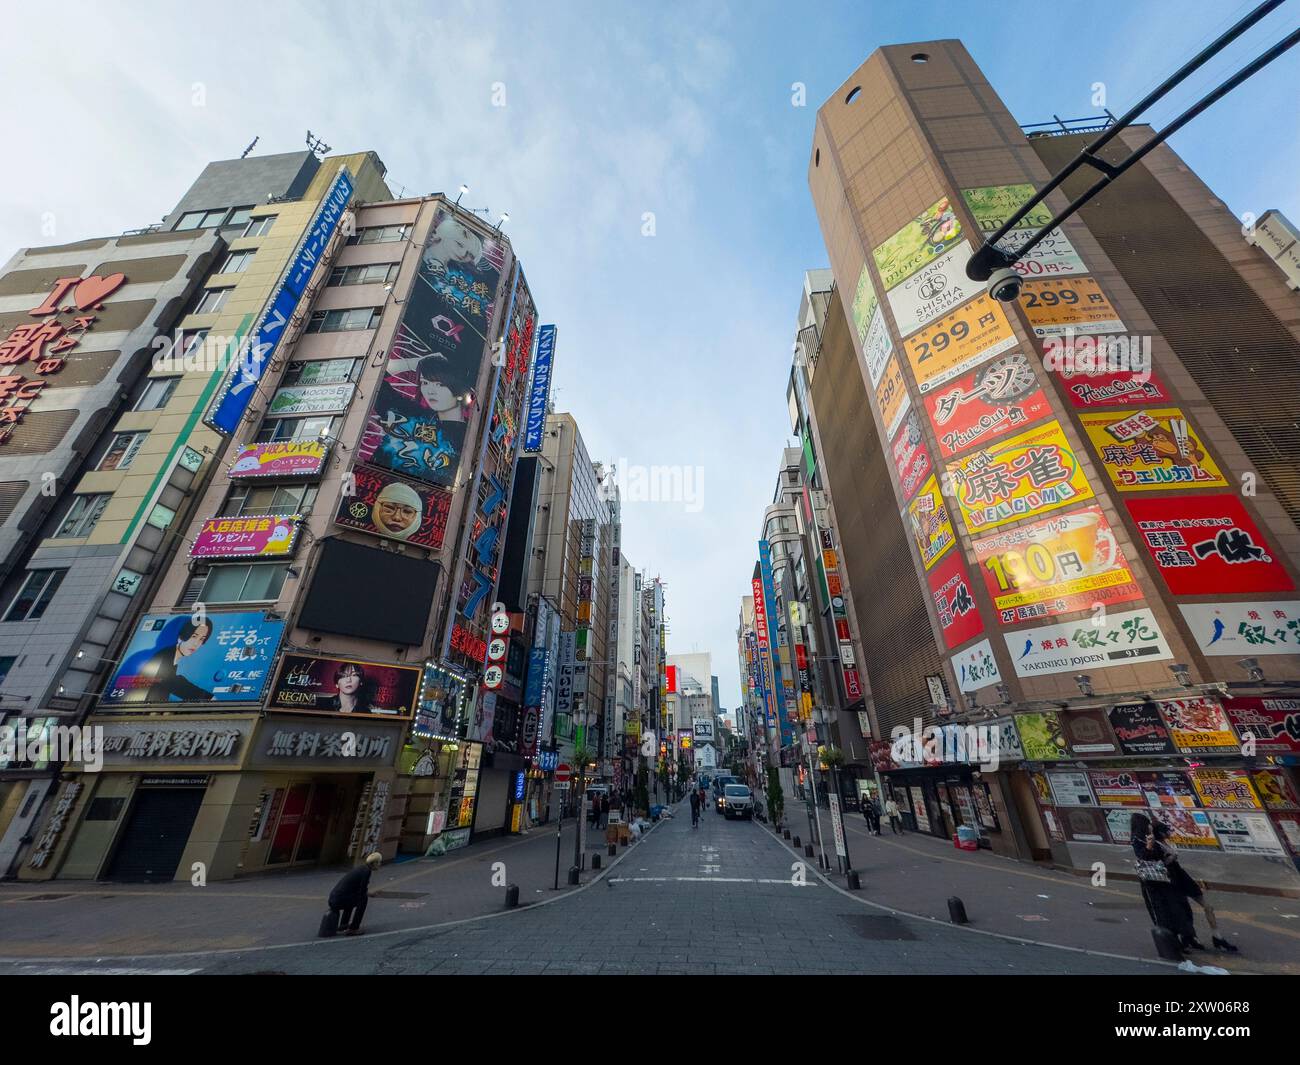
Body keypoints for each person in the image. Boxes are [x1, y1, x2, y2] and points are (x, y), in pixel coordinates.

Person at [1148, 817, 1239, 953]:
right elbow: (1158, 864)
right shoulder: (1156, 846)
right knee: (1182, 911)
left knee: (1207, 906)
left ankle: (1216, 936)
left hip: (1182, 876)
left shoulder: (1165, 844)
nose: (1169, 833)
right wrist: (1170, 857)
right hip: (1172, 880)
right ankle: (1188, 938)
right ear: (1160, 833)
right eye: (1166, 831)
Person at [1131, 812, 1200, 951]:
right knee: (1167, 912)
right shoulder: (1138, 840)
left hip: (1170, 878)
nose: (1149, 825)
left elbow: (1166, 833)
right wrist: (1149, 846)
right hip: (1155, 882)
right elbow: (1144, 856)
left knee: (1182, 908)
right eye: (1147, 822)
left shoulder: (1153, 835)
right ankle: (1173, 942)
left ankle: (1188, 937)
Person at [325, 851, 382, 936]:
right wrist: (368, 894)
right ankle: (354, 928)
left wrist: (368, 893)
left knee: (353, 899)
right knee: (363, 900)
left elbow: (357, 889)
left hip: (334, 898)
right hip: (339, 900)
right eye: (379, 862)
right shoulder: (366, 871)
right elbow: (362, 892)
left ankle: (343, 925)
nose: (380, 865)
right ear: (374, 863)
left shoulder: (361, 868)